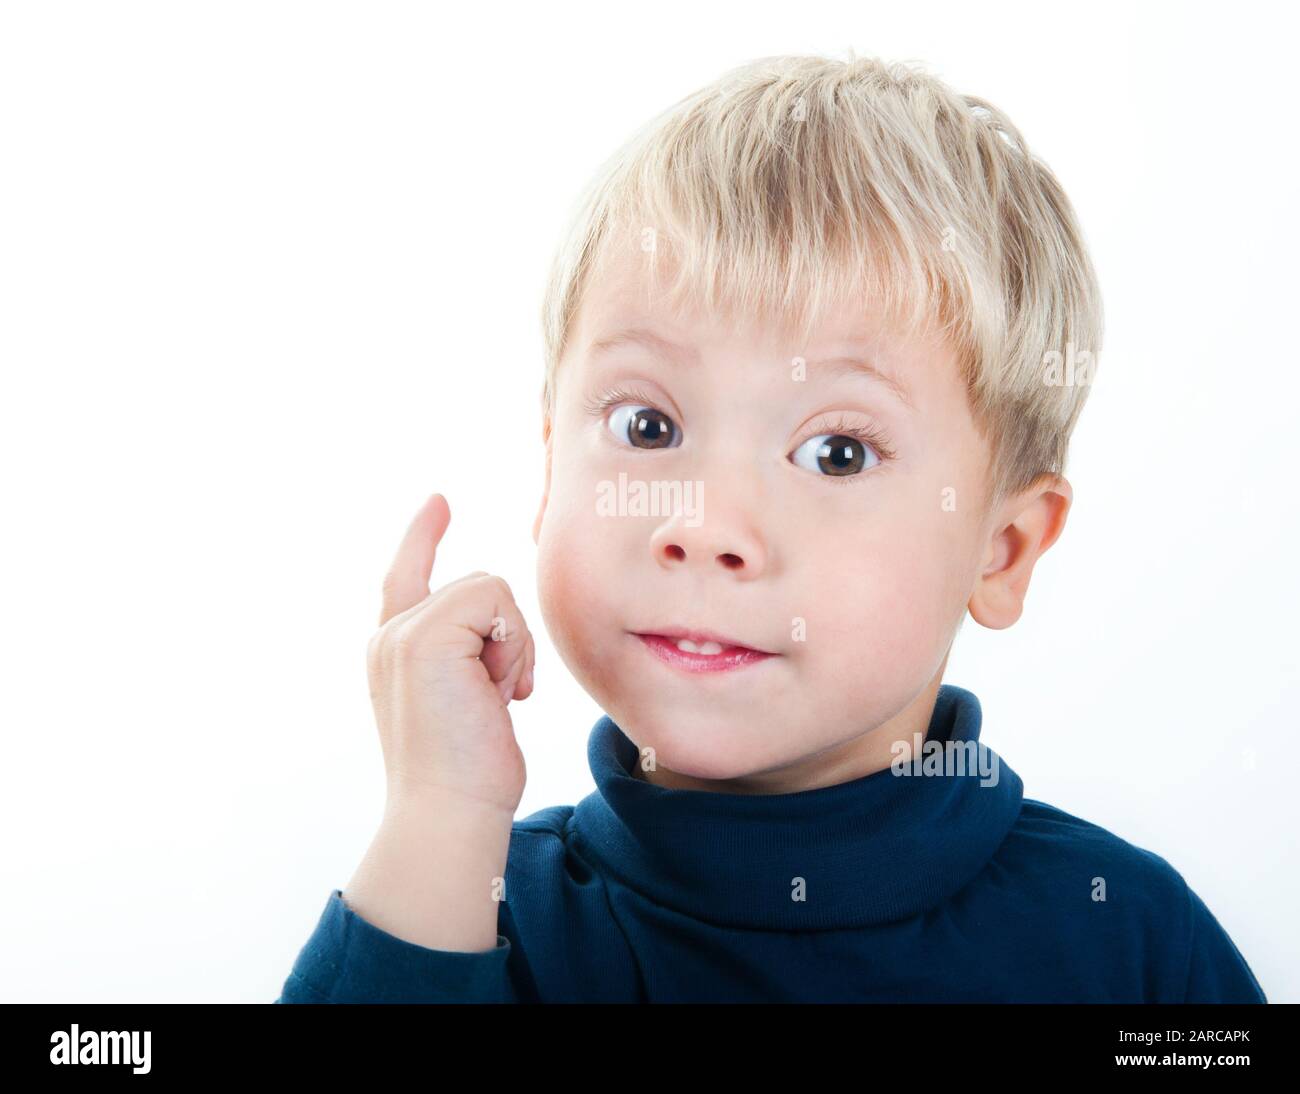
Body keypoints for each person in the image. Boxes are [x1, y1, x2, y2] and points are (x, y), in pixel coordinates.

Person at [275, 52, 1266, 1003]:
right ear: (547, 471)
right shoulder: (462, 919)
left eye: (836, 451)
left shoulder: (1130, 943)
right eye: (647, 426)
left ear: (1001, 549)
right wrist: (438, 815)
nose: (703, 525)